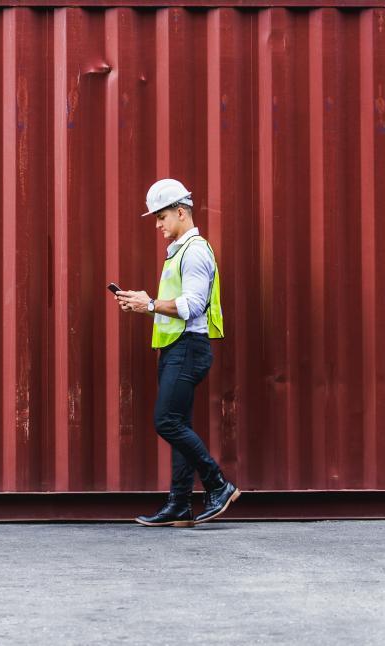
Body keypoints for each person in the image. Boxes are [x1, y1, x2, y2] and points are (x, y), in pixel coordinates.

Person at [115, 178, 240, 527]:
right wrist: (142, 304)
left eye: (161, 216)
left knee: (166, 421)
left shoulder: (194, 251)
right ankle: (180, 504)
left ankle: (218, 485)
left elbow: (193, 306)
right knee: (178, 423)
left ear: (181, 212)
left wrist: (150, 304)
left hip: (188, 348)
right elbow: (174, 305)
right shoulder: (178, 252)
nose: (157, 225)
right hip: (176, 347)